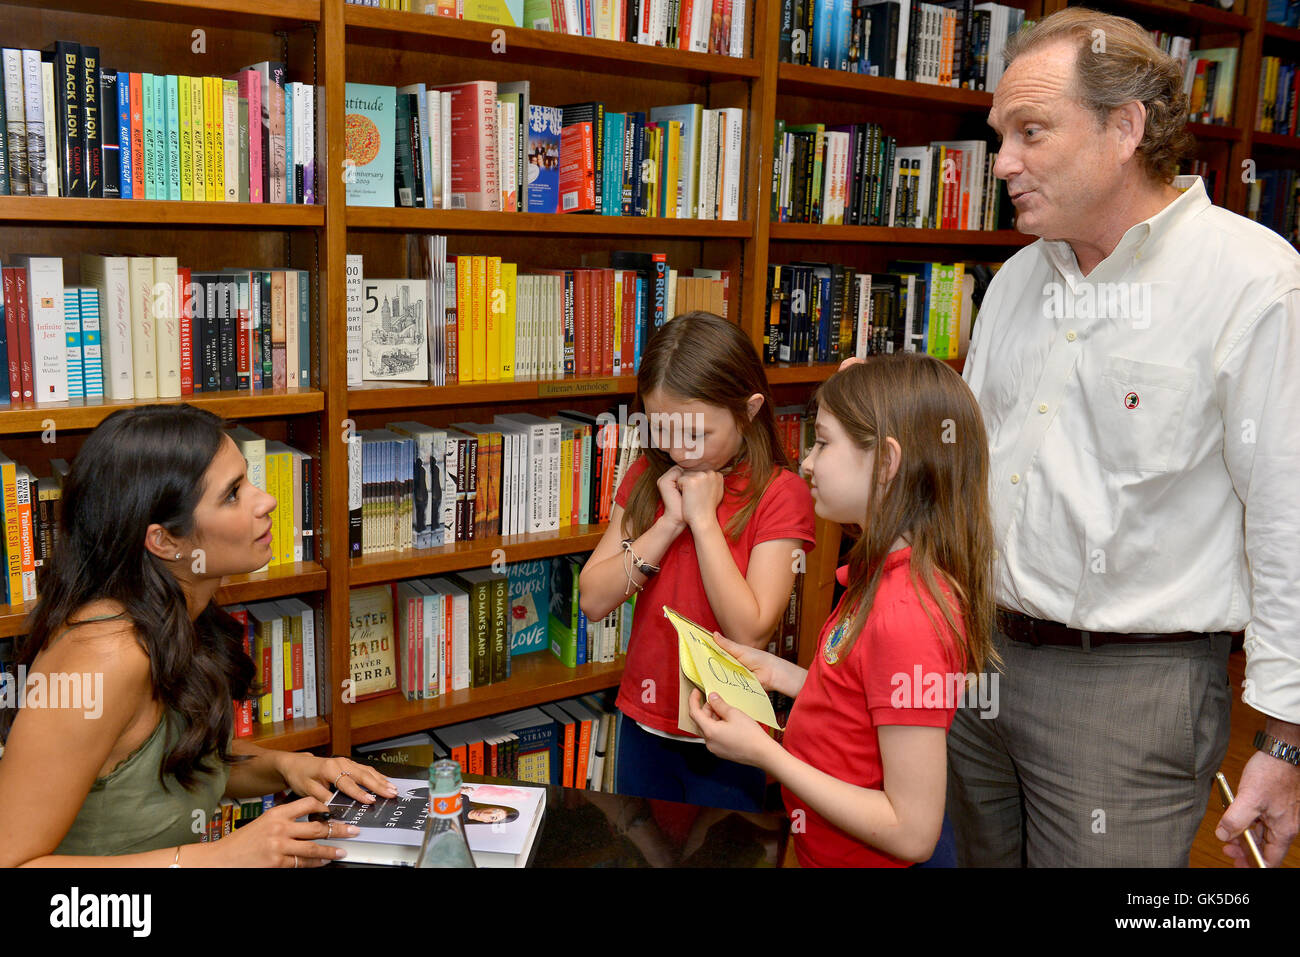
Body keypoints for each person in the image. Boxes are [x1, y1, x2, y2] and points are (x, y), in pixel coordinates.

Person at [945, 8, 1300, 866]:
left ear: (1124, 128)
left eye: (1031, 131)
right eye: (1000, 137)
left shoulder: (1255, 283)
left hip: (1131, 695)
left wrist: (1286, 741)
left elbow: (1288, 520)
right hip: (974, 662)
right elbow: (974, 465)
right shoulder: (1018, 279)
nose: (1004, 164)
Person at [0, 404, 398, 867]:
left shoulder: (175, 610)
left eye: (246, 481)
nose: (266, 500)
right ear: (165, 542)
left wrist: (289, 765)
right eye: (232, 494)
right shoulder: (105, 657)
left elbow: (175, 765)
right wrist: (222, 857)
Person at [688, 355, 996, 866]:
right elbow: (863, 705)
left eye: (824, 443)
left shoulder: (907, 615)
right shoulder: (882, 574)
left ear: (888, 463)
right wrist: (781, 673)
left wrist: (766, 754)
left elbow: (911, 830)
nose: (806, 461)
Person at [578, 311, 816, 812]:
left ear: (749, 410)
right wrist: (666, 524)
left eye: (699, 434)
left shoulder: (780, 493)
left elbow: (748, 631)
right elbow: (593, 599)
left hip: (731, 731)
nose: (679, 450)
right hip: (644, 720)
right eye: (663, 429)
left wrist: (703, 521)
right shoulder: (650, 472)